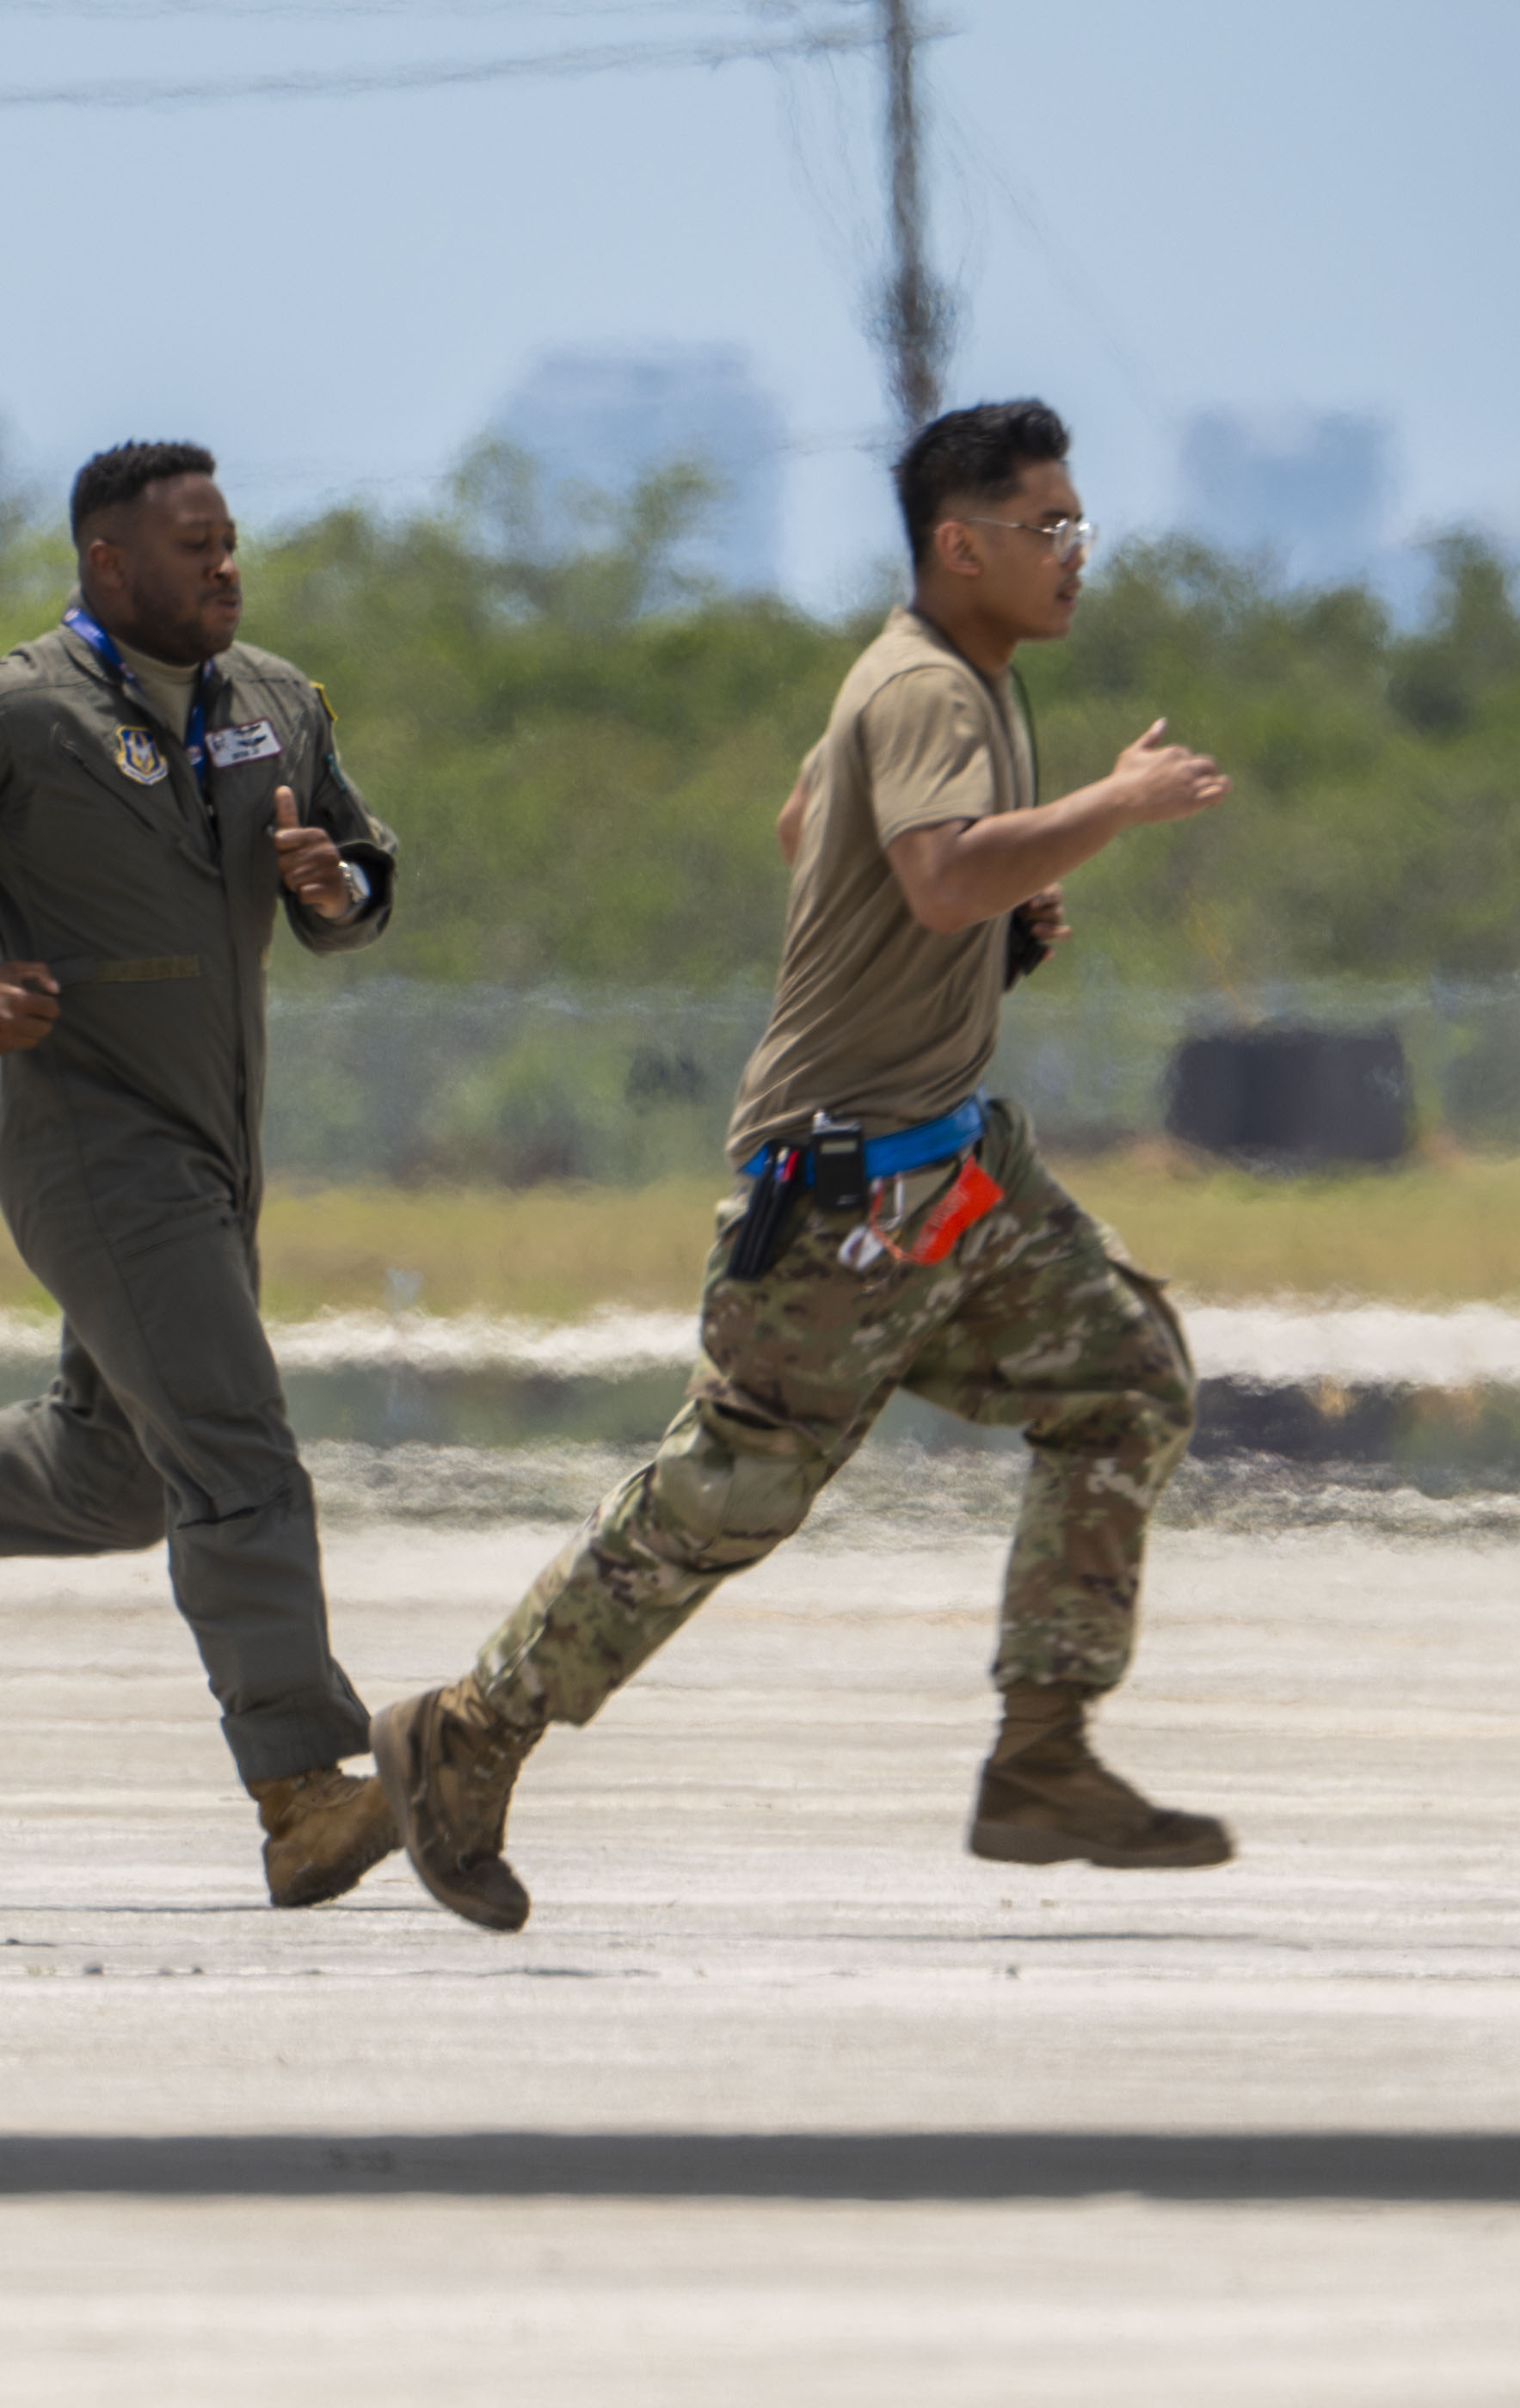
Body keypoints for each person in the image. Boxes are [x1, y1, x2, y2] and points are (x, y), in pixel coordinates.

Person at [371, 399, 1237, 1933]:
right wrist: (1097, 816)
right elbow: (939, 873)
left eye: (1077, 524)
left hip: (959, 1174)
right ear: (957, 544)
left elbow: (807, 828)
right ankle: (468, 1732)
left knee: (1127, 1376)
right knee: (734, 1490)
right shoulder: (924, 689)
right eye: (1045, 527)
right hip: (849, 1195)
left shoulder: (957, 681)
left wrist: (995, 905)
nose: (1073, 552)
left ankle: (1042, 1756)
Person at [0, 439, 409, 1908]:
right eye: (193, 547)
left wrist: (336, 890)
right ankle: (301, 1785)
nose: (225, 567)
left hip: (220, 1147)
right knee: (234, 1443)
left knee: (118, 1479)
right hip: (92, 1145)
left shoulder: (275, 705)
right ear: (107, 562)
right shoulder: (10, 713)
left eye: (230, 541)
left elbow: (357, 881)